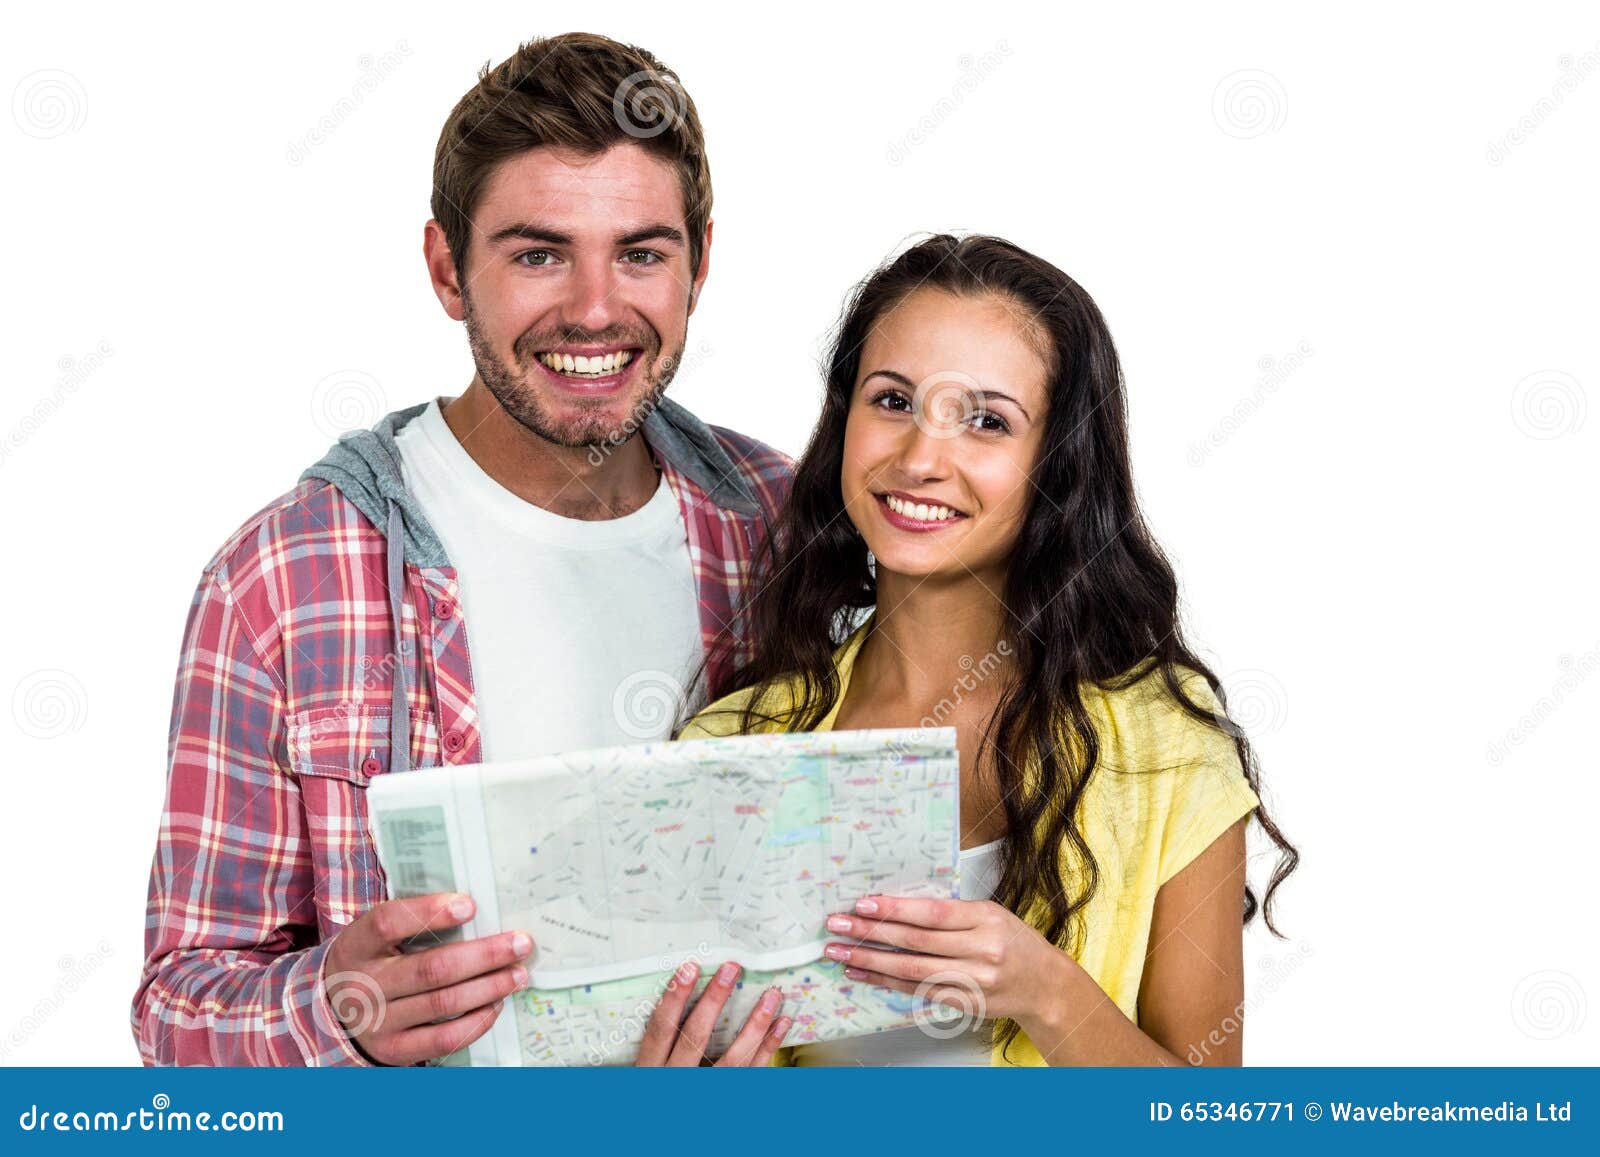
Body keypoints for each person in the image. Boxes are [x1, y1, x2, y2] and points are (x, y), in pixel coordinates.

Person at [132, 32, 794, 1067]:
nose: (593, 308)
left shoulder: (787, 525)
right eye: (537, 253)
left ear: (699, 263)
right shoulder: (281, 580)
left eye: (640, 252)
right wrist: (341, 1005)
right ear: (447, 268)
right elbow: (178, 1009)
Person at [677, 233, 1300, 1066]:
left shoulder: (1166, 751)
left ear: (1059, 462)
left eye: (986, 421)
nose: (923, 459)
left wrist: (1045, 990)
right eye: (892, 401)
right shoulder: (733, 746)